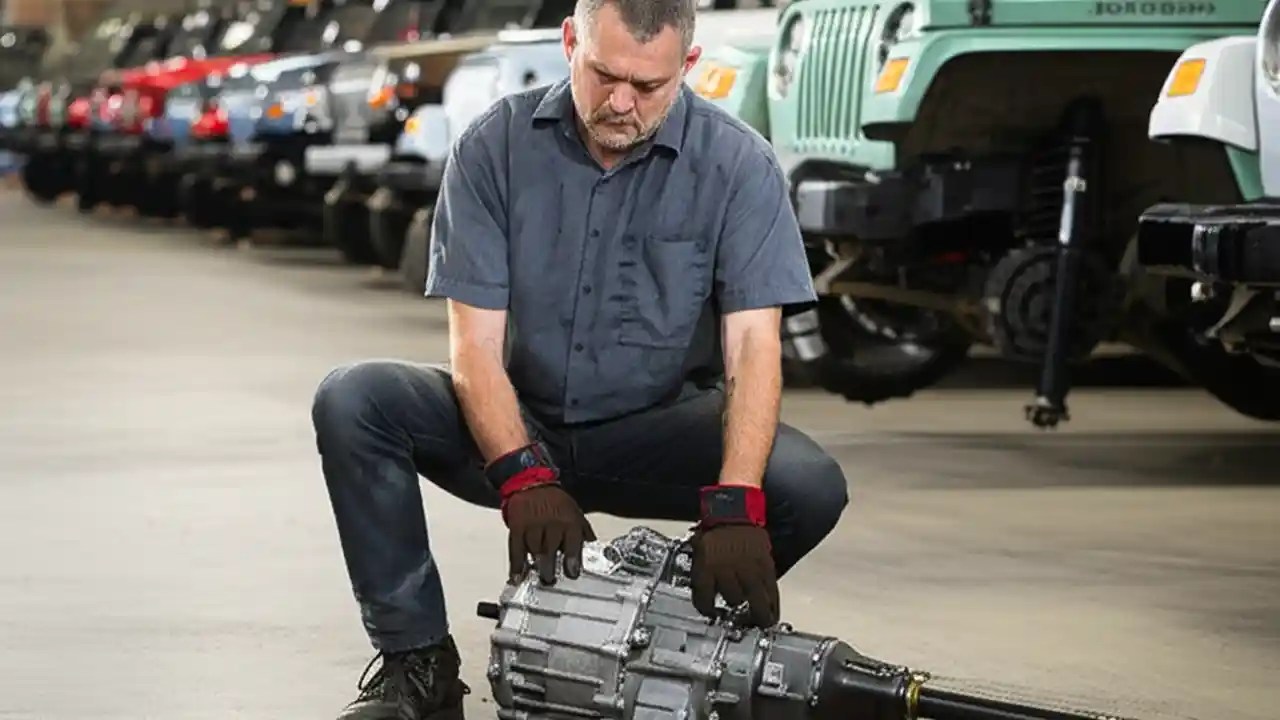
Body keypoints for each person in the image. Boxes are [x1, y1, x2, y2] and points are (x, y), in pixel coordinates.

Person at [310, 0, 850, 717]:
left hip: (655, 431)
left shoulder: (738, 165)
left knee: (808, 484)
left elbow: (753, 347)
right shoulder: (494, 146)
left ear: (687, 67)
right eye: (603, 75)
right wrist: (520, 472)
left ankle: (659, 639)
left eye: (648, 87)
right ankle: (418, 666)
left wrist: (735, 506)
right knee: (354, 398)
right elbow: (474, 344)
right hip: (516, 418)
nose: (622, 102)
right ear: (571, 41)